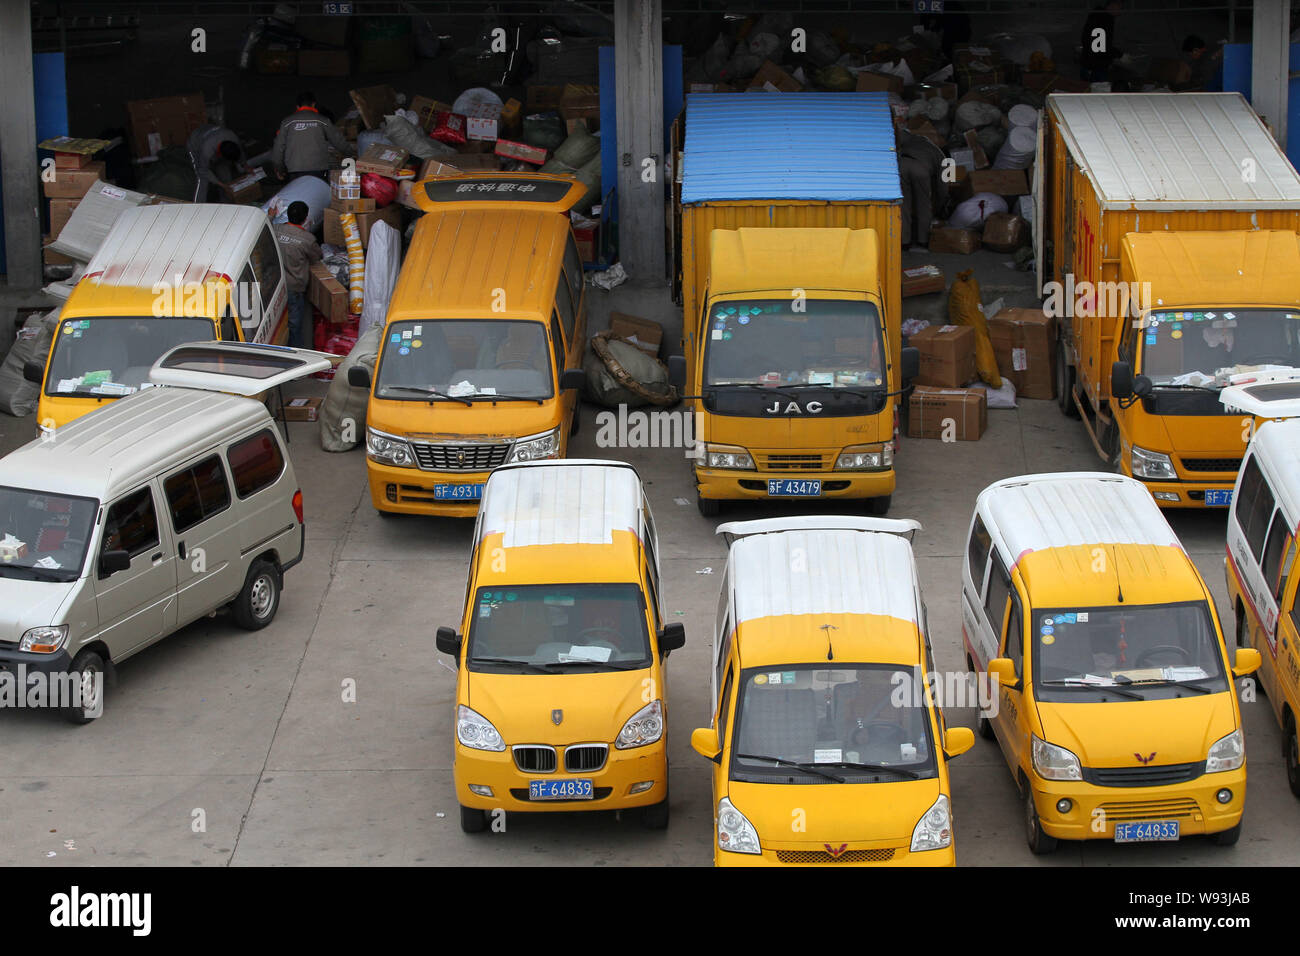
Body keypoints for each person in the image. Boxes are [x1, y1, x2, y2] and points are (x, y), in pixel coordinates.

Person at [895, 111, 948, 250]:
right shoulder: (944, 156)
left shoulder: (922, 140)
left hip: (903, 164)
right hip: (921, 169)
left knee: (904, 204)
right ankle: (923, 240)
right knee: (924, 204)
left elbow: (901, 137)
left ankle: (904, 241)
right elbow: (944, 184)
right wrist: (943, 204)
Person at [271, 91, 353, 181]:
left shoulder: (287, 122)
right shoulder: (323, 120)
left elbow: (278, 148)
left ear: (297, 106)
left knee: (299, 194)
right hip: (319, 169)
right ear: (313, 104)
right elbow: (338, 141)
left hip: (294, 170)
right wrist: (351, 154)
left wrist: (280, 169)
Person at [273, 201, 322, 348]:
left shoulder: (275, 229)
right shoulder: (307, 239)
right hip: (294, 286)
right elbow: (317, 257)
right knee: (294, 323)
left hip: (275, 284)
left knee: (276, 320)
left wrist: (270, 216)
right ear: (306, 218)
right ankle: (295, 351)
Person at [187, 123, 246, 202]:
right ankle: (198, 206)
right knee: (202, 180)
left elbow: (240, 154)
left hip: (214, 140)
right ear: (219, 154)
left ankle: (226, 203)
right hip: (195, 144)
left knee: (226, 175)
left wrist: (245, 165)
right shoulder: (206, 150)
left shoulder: (233, 137)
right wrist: (222, 185)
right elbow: (203, 170)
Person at [1079, 1, 1123, 83]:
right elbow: (1102, 45)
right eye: (1119, 8)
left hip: (1090, 63)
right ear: (1113, 5)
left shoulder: (1097, 16)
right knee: (1098, 89)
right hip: (1096, 65)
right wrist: (1119, 55)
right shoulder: (1105, 19)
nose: (1120, 12)